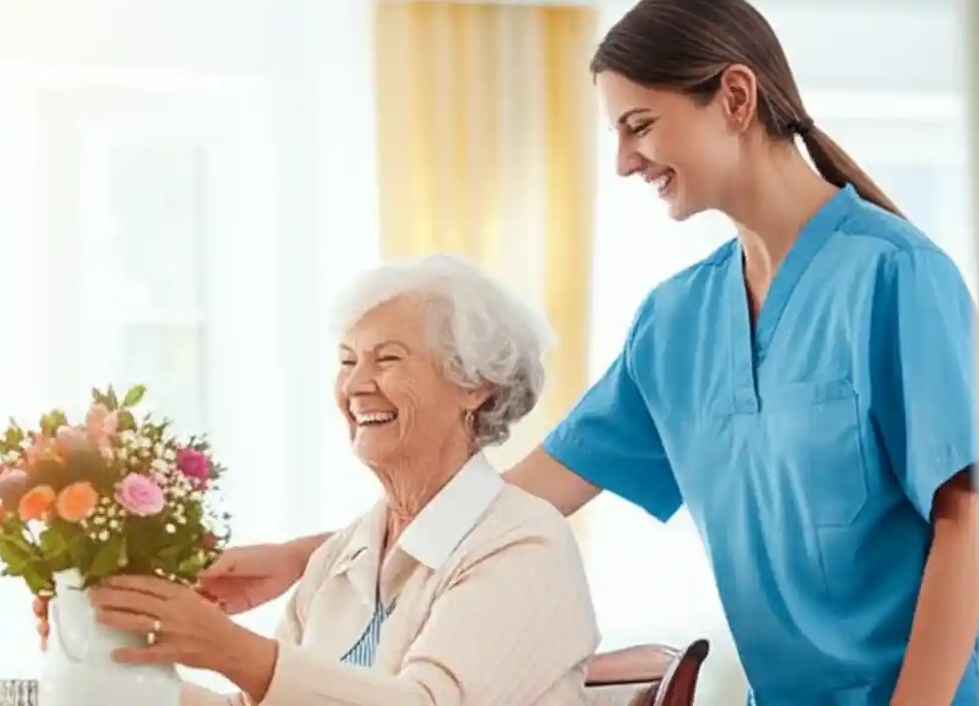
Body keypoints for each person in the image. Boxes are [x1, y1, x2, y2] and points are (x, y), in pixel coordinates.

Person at [196, 0, 979, 704]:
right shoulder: (678, 323)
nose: (623, 161)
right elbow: (507, 502)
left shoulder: (897, 277)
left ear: (735, 97)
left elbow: (969, 518)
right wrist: (307, 559)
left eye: (640, 126)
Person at [83, 255, 605, 705]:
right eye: (348, 361)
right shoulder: (344, 554)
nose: (354, 385)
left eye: (388, 359)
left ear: (475, 386)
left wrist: (227, 647)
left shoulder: (525, 544)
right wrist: (111, 648)